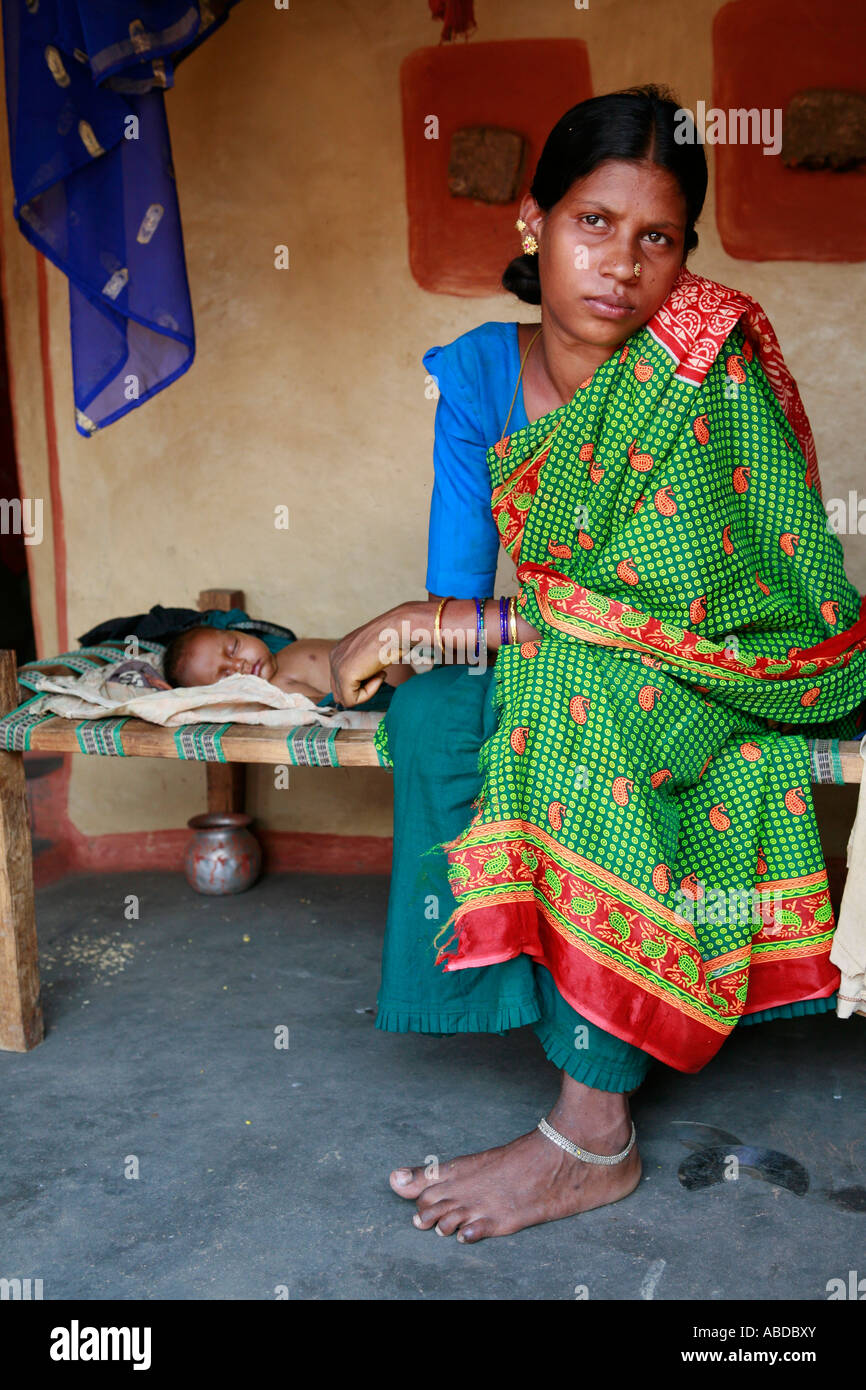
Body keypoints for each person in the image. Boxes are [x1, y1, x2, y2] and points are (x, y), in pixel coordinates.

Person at [327, 85, 866, 1244]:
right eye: (590, 223)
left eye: (655, 238)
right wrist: (428, 630)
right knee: (431, 718)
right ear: (533, 223)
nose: (621, 264)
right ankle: (553, 991)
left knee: (579, 699)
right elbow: (470, 594)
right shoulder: (477, 374)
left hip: (730, 654)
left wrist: (420, 619)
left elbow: (717, 595)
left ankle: (589, 1132)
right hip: (568, 639)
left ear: (685, 255)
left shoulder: (702, 357)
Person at [161, 625, 408, 703]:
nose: (239, 665)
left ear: (240, 632)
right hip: (398, 695)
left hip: (412, 670)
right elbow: (330, 703)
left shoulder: (280, 648)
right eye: (224, 675)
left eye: (234, 648)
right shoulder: (280, 687)